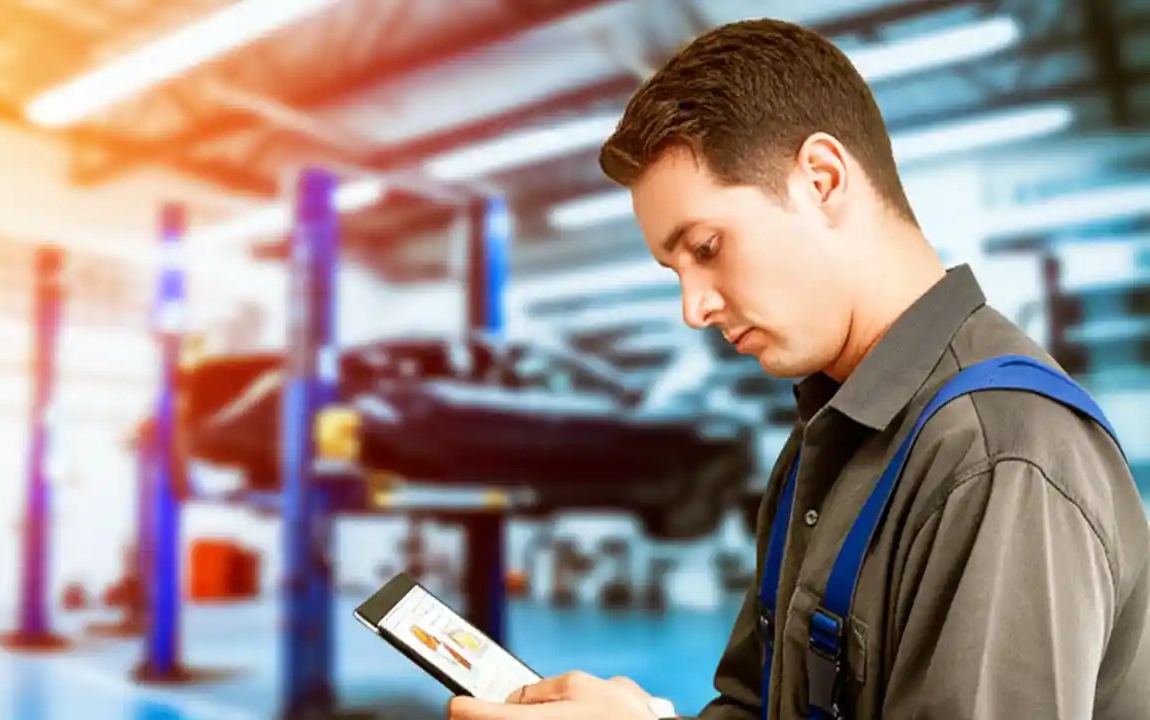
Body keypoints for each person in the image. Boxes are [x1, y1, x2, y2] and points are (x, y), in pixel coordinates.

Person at [448, 17, 1150, 720]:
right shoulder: (826, 439)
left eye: (708, 245)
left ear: (821, 179)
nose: (693, 307)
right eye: (675, 270)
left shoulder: (996, 460)